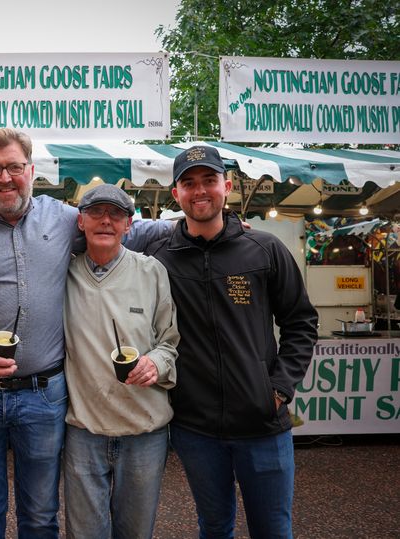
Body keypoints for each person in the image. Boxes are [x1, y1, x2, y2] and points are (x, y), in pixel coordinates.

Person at [0, 128, 170, 538]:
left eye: (15, 167)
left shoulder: (62, 218)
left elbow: (122, 229)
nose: (6, 177)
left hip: (43, 393)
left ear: (32, 171)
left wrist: (197, 230)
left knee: (40, 517)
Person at [146, 145, 318, 539]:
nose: (200, 190)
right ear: (176, 194)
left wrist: (278, 388)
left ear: (227, 186)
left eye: (209, 180)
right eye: (189, 183)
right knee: (215, 528)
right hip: (195, 427)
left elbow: (301, 321)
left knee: (273, 530)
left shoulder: (265, 249)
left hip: (262, 423)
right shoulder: (158, 258)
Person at [63, 184, 179, 539]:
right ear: (80, 221)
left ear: (130, 225)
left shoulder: (151, 271)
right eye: (96, 212)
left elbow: (169, 342)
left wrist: (155, 364)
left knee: (135, 532)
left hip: (144, 429)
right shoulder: (62, 274)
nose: (106, 221)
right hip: (84, 430)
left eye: (116, 214)